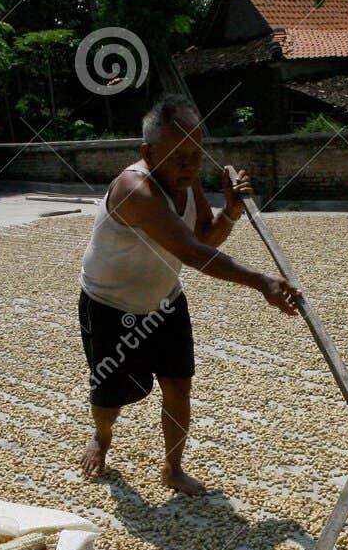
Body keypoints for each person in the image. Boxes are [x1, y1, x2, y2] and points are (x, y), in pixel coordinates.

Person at [78, 94, 301, 495]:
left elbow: (205, 235)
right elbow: (194, 253)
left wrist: (230, 210)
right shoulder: (136, 189)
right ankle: (102, 435)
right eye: (178, 156)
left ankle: (173, 468)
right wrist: (262, 281)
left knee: (178, 385)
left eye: (196, 155)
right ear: (148, 152)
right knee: (111, 398)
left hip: (164, 299)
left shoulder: (187, 179)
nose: (189, 166)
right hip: (110, 305)